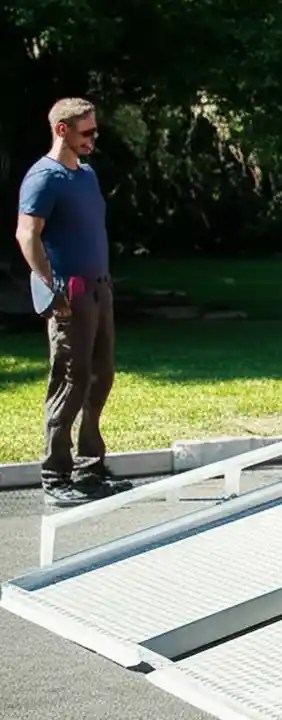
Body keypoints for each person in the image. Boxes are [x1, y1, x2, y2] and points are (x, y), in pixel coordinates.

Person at [14, 97, 131, 508]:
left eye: (94, 131)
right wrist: (50, 288)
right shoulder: (43, 178)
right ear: (61, 130)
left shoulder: (87, 175)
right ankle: (55, 474)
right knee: (70, 379)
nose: (93, 139)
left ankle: (90, 467)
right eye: (86, 132)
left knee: (102, 375)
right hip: (71, 294)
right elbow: (27, 235)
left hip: (100, 289)